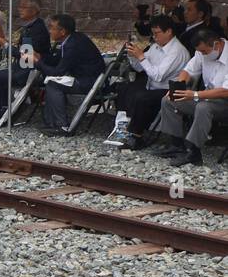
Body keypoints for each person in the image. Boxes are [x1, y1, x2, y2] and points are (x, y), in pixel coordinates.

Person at [150, 28, 228, 166]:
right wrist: (177, 87)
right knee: (169, 100)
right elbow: (188, 70)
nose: (203, 54)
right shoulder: (201, 52)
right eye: (200, 52)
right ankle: (176, 144)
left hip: (223, 100)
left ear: (216, 44)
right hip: (206, 95)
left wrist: (195, 94)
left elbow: (225, 91)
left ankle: (194, 152)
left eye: (205, 51)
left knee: (204, 108)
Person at [0, 0, 51, 125]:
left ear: (34, 10)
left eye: (23, 7)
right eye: (20, 7)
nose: (19, 9)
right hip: (23, 66)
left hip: (29, 70)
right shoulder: (31, 26)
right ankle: (1, 111)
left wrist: (6, 45)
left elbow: (26, 55)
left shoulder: (36, 29)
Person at [115, 15, 190, 148]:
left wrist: (141, 56)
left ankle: (136, 136)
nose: (154, 37)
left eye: (157, 33)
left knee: (142, 98)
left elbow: (158, 76)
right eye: (153, 34)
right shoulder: (156, 46)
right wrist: (133, 56)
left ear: (169, 32)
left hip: (169, 89)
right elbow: (139, 68)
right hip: (152, 85)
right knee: (124, 88)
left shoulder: (177, 51)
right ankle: (122, 127)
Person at [30, 13, 106, 133]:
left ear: (63, 31)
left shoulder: (73, 45)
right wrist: (41, 56)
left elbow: (58, 72)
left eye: (52, 28)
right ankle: (51, 122)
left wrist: (38, 63)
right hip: (86, 78)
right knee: (51, 83)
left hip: (90, 82)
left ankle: (61, 125)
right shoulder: (72, 39)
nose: (49, 31)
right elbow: (57, 60)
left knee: (54, 85)